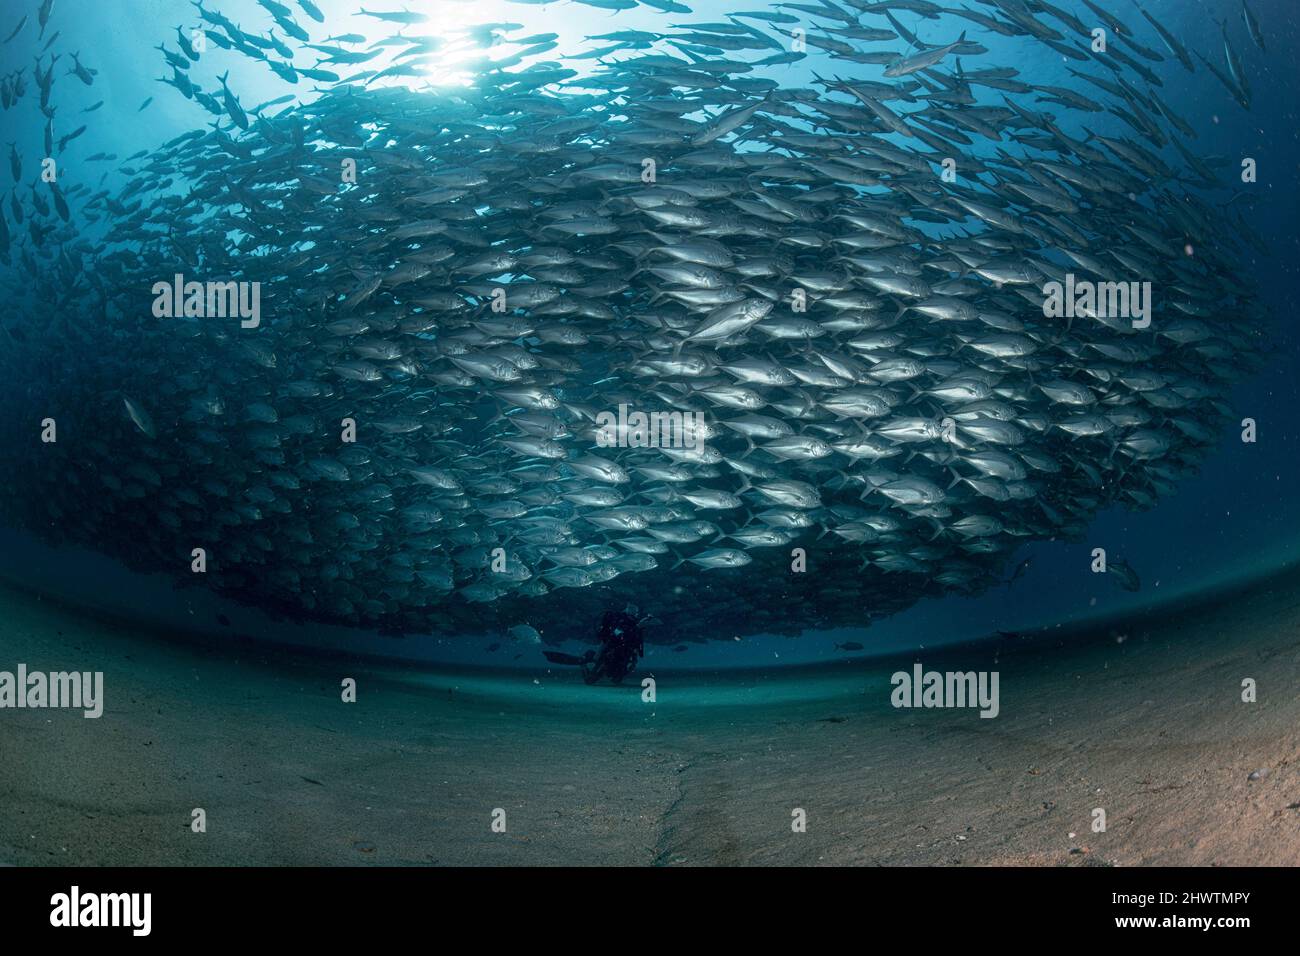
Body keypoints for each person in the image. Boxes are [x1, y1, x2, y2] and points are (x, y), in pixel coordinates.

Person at [580, 606, 645, 684]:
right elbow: (615, 635)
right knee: (592, 677)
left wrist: (634, 659)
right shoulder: (619, 620)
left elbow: (636, 643)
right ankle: (588, 665)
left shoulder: (634, 624)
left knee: (616, 676)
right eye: (631, 609)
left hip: (622, 654)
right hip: (612, 652)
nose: (634, 612)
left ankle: (595, 668)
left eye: (635, 610)